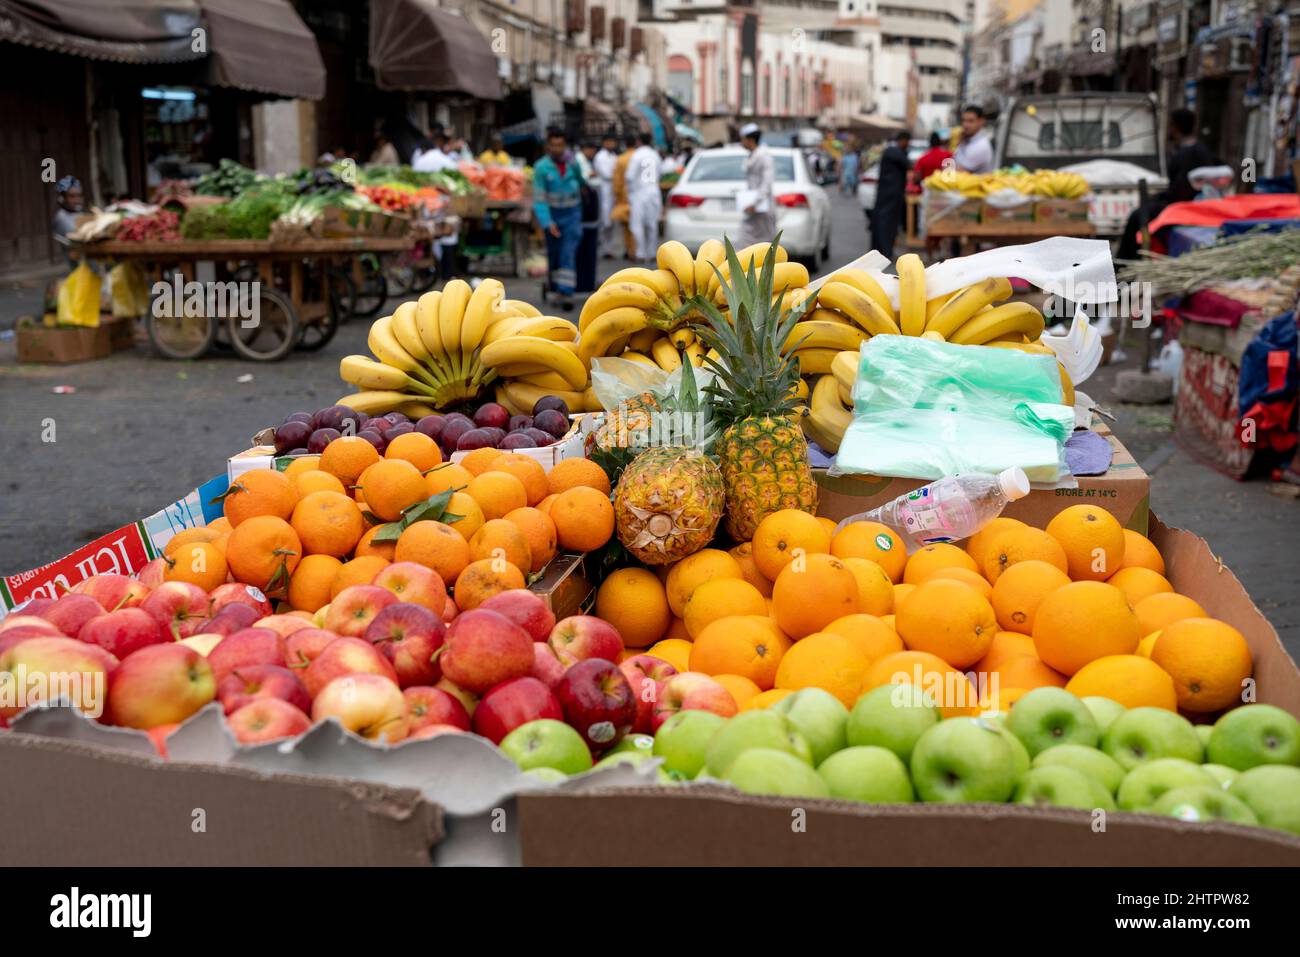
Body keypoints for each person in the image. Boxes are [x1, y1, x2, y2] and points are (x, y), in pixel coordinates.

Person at [1117, 108, 1222, 260]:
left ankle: (1124, 266)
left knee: (1138, 216)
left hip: (1187, 205)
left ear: (1176, 128)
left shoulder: (1188, 153)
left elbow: (1181, 191)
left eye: (1171, 125)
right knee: (1145, 209)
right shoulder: (1200, 149)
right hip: (1190, 201)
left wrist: (1159, 197)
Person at [533, 127, 586, 310]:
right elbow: (540, 199)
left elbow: (581, 183)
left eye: (560, 145)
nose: (557, 149)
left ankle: (566, 291)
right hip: (553, 217)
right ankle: (556, 288)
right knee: (554, 254)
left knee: (567, 252)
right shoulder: (541, 167)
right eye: (553, 145)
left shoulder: (573, 163)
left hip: (572, 216)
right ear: (548, 146)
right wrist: (547, 222)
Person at [871, 130, 911, 259]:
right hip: (889, 195)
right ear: (903, 140)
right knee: (885, 223)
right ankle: (884, 252)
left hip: (890, 194)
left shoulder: (893, 151)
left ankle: (883, 251)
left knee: (888, 223)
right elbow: (908, 164)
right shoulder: (893, 152)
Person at [736, 123, 776, 248]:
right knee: (746, 242)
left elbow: (767, 182)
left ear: (750, 140)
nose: (741, 142)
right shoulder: (753, 155)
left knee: (766, 246)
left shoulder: (764, 156)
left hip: (762, 207)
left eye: (743, 139)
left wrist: (755, 203)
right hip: (753, 206)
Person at [626, 132, 662, 266]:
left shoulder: (637, 154)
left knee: (637, 224)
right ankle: (652, 253)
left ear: (639, 141)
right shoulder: (655, 154)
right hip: (654, 191)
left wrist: (630, 193)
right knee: (652, 225)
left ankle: (640, 253)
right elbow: (660, 171)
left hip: (639, 193)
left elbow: (629, 176)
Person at [594, 133, 618, 258]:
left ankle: (609, 249)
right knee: (604, 221)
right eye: (609, 142)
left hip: (612, 190)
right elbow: (607, 174)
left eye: (613, 142)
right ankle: (604, 248)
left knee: (611, 222)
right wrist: (616, 174)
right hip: (604, 190)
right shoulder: (600, 156)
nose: (611, 145)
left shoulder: (614, 156)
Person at [954, 104, 994, 174]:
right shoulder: (965, 140)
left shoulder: (981, 146)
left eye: (971, 121)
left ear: (981, 121)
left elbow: (955, 174)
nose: (965, 125)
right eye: (963, 120)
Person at [613, 137, 636, 259]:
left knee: (627, 225)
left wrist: (617, 195)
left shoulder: (621, 159)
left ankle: (630, 249)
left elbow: (617, 181)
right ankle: (637, 249)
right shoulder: (640, 157)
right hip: (640, 195)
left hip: (624, 196)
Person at [52, 175, 84, 248]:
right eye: (72, 196)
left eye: (79, 196)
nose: (77, 200)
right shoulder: (61, 218)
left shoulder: (81, 213)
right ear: (62, 199)